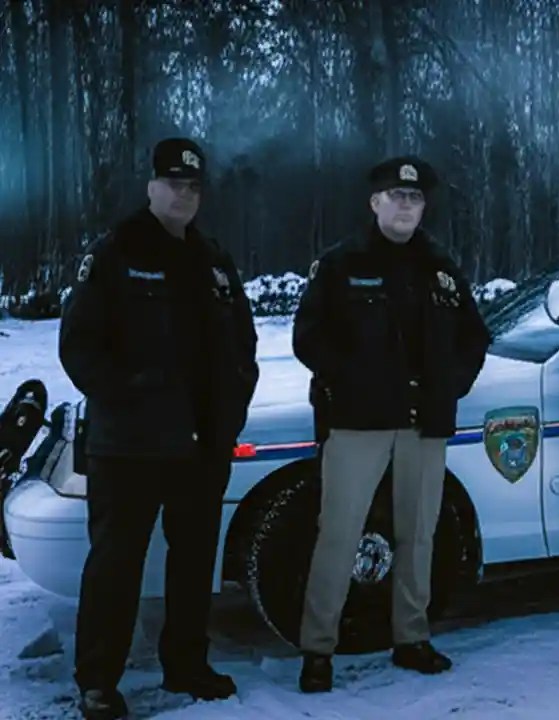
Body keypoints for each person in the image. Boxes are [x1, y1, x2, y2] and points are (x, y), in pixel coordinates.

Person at [59, 137, 260, 720]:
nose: (184, 194)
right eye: (174, 183)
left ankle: (186, 663)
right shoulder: (117, 253)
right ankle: (98, 680)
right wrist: (134, 396)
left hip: (201, 445)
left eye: (194, 186)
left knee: (194, 561)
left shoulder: (213, 260)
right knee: (115, 566)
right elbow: (79, 349)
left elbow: (242, 345)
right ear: (150, 187)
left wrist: (232, 412)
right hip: (131, 448)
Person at [291, 155, 490, 692]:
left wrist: (451, 385)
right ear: (375, 202)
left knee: (418, 534)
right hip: (359, 422)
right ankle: (318, 649)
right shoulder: (341, 264)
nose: (406, 206)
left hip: (424, 423)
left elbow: (474, 338)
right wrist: (354, 380)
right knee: (339, 534)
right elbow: (308, 338)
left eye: (415, 198)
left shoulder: (441, 268)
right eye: (397, 197)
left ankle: (412, 637)